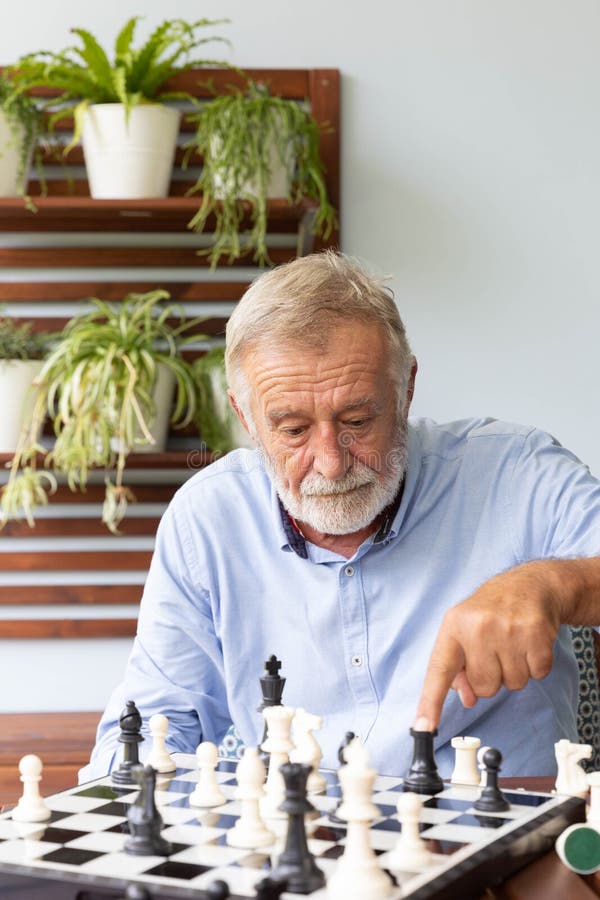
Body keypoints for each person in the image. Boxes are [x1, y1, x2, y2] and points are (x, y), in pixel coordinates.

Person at [81, 251, 600, 781]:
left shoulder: (516, 471)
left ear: (406, 391)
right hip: (302, 843)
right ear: (245, 417)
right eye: (293, 430)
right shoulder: (207, 519)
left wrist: (556, 583)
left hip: (508, 836)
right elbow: (154, 723)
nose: (330, 464)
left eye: (356, 420)